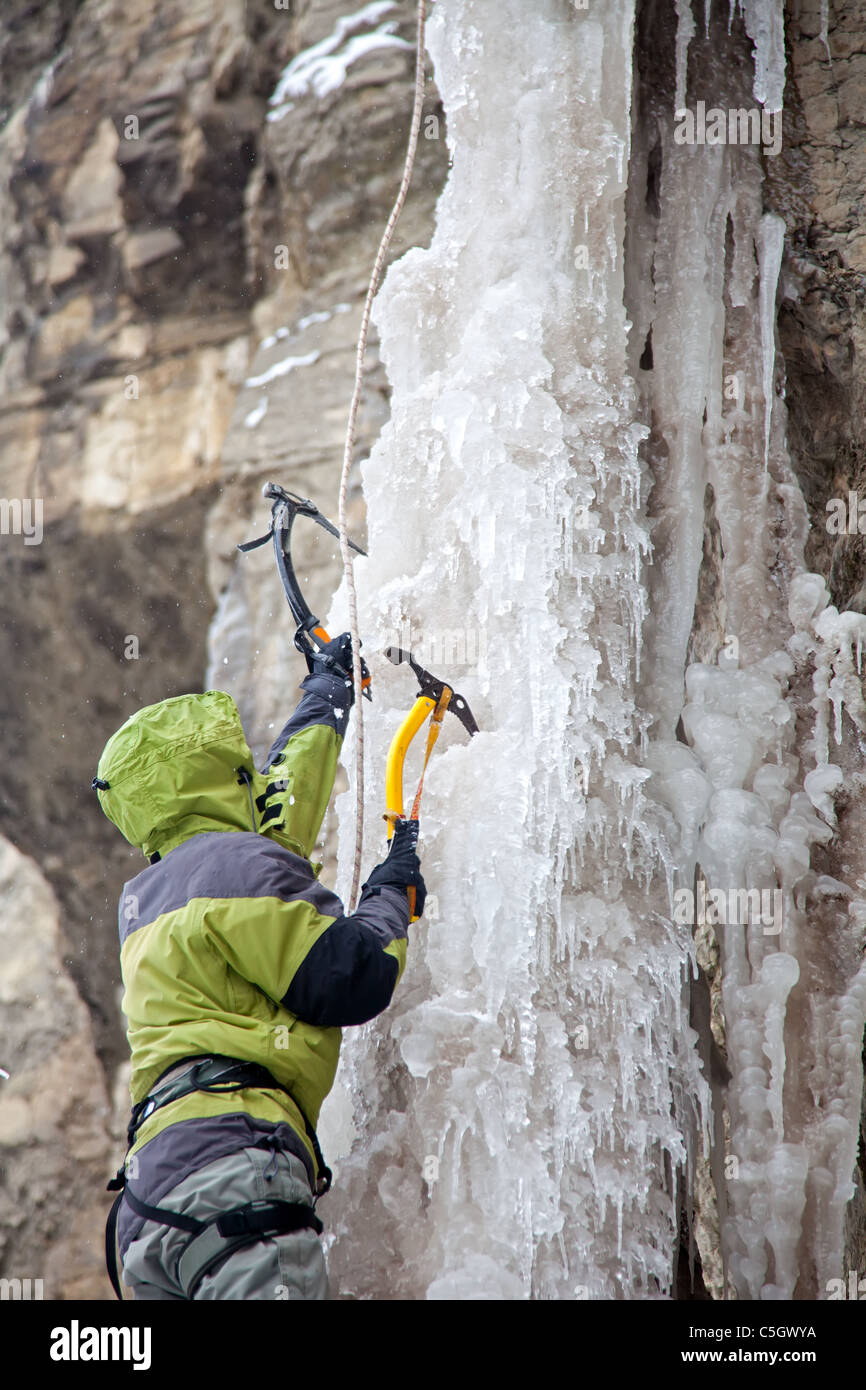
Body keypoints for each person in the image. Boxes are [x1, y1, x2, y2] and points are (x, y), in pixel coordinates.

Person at [93, 634, 426, 1300]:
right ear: (224, 777)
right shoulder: (237, 869)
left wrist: (326, 695)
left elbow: (277, 815)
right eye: (241, 765)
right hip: (234, 1174)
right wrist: (392, 895)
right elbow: (350, 977)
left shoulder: (155, 895)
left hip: (148, 1208)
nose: (254, 770)